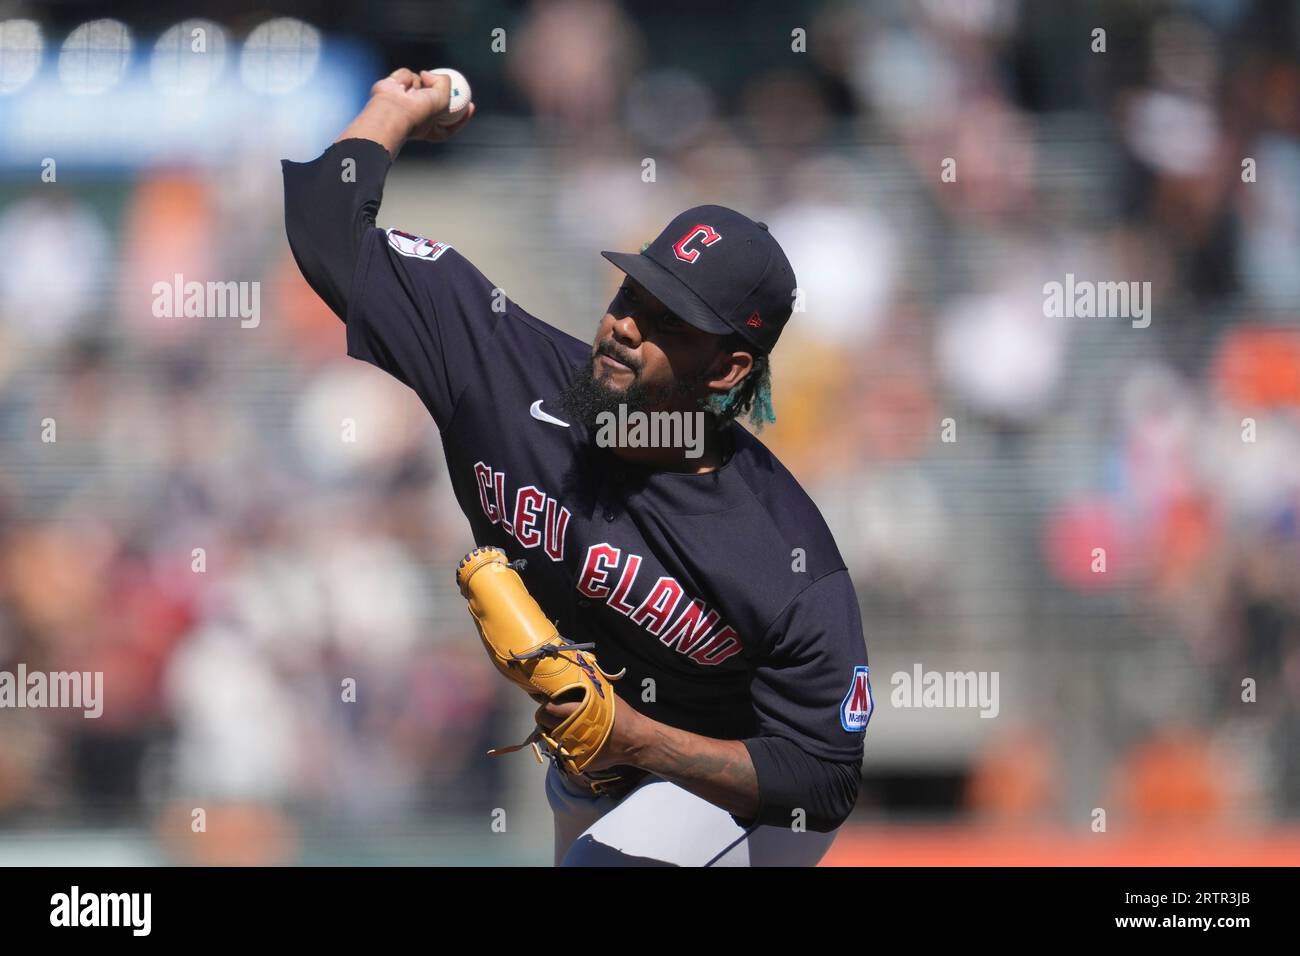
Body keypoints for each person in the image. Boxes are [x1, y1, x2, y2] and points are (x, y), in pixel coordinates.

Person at [282, 68, 873, 866]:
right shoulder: (499, 367)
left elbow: (824, 778)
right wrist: (395, 108)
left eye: (668, 321)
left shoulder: (785, 557)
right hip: (589, 776)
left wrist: (641, 739)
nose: (625, 325)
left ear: (729, 369)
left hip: (735, 794)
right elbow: (327, 230)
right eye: (631, 292)